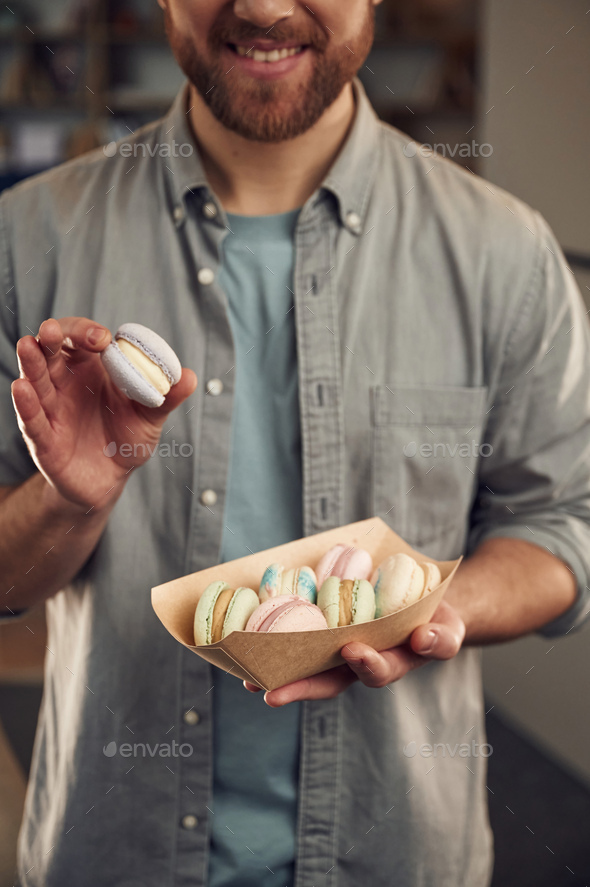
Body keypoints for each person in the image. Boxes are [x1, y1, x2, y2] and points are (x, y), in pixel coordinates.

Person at [1, 0, 589, 885]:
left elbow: (563, 522)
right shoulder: (28, 238)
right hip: (111, 850)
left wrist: (425, 609)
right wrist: (68, 500)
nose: (266, 5)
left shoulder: (502, 252)